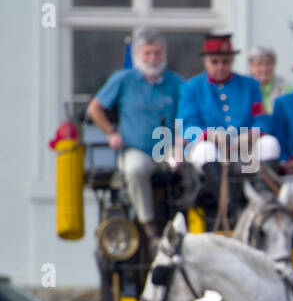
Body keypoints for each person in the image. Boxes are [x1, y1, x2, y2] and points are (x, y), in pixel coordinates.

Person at [85, 28, 184, 243]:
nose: (152, 58)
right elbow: (95, 108)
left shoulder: (176, 83)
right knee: (134, 168)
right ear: (138, 55)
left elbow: (187, 115)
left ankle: (185, 223)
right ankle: (149, 227)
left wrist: (180, 144)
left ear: (164, 54)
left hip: (168, 148)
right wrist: (111, 133)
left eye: (157, 53)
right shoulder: (123, 79)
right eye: (147, 53)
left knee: (189, 167)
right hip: (136, 149)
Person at [177, 33, 279, 168]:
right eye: (214, 62)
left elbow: (262, 119)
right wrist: (209, 135)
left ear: (232, 60)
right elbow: (186, 125)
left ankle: (261, 188)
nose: (220, 66)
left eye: (225, 61)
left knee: (269, 143)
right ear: (205, 62)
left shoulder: (250, 85)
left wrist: (252, 134)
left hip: (245, 146)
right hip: (212, 147)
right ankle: (217, 189)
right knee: (205, 150)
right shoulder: (192, 88)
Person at [248, 46, 293, 115]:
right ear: (250, 66)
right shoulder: (242, 87)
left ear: (274, 65)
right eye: (259, 64)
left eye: (268, 63)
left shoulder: (286, 87)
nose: (264, 69)